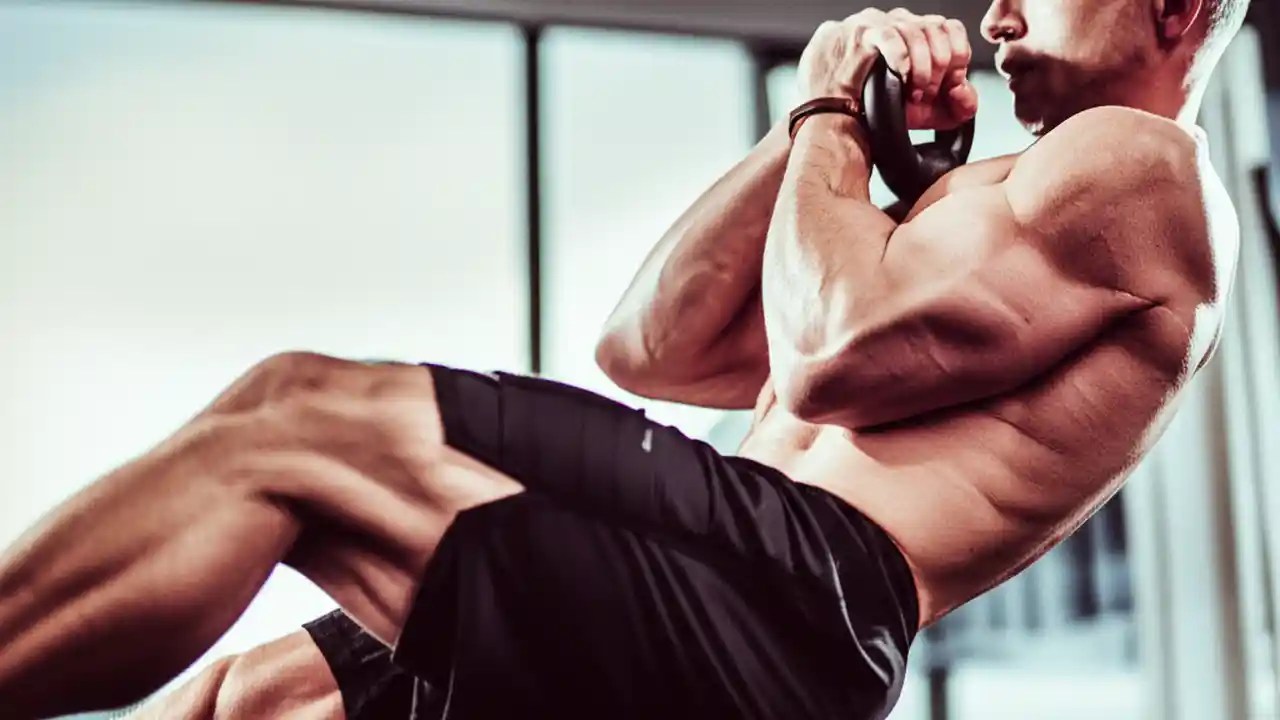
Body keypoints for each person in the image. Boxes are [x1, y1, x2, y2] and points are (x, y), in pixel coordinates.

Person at [0, 0, 1249, 715]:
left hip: (791, 594)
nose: (995, 13)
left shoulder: (1145, 164)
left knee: (297, 421)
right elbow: (649, 344)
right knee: (250, 704)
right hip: (733, 600)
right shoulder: (1015, 203)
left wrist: (826, 110)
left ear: (1173, 7)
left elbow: (825, 356)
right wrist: (822, 136)